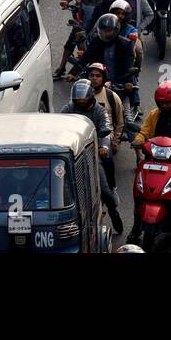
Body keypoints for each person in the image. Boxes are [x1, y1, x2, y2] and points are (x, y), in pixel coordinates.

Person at [62, 79, 124, 233]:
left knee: (105, 190)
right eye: (78, 100)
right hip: (73, 153)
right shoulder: (70, 108)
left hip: (93, 152)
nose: (80, 103)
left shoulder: (99, 110)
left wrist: (103, 146)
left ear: (90, 97)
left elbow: (105, 129)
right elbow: (59, 123)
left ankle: (112, 205)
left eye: (83, 100)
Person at [84, 14, 139, 95]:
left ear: (115, 30)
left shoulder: (125, 44)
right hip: (97, 83)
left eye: (108, 31)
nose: (105, 33)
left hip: (118, 83)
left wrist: (128, 83)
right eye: (103, 30)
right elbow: (85, 57)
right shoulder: (96, 41)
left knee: (125, 105)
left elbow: (128, 66)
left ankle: (136, 105)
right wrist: (72, 73)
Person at [85, 62, 124, 159]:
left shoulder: (112, 96)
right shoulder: (80, 95)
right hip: (84, 137)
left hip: (105, 138)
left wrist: (115, 141)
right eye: (92, 75)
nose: (94, 78)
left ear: (103, 79)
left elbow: (120, 122)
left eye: (98, 76)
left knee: (107, 161)